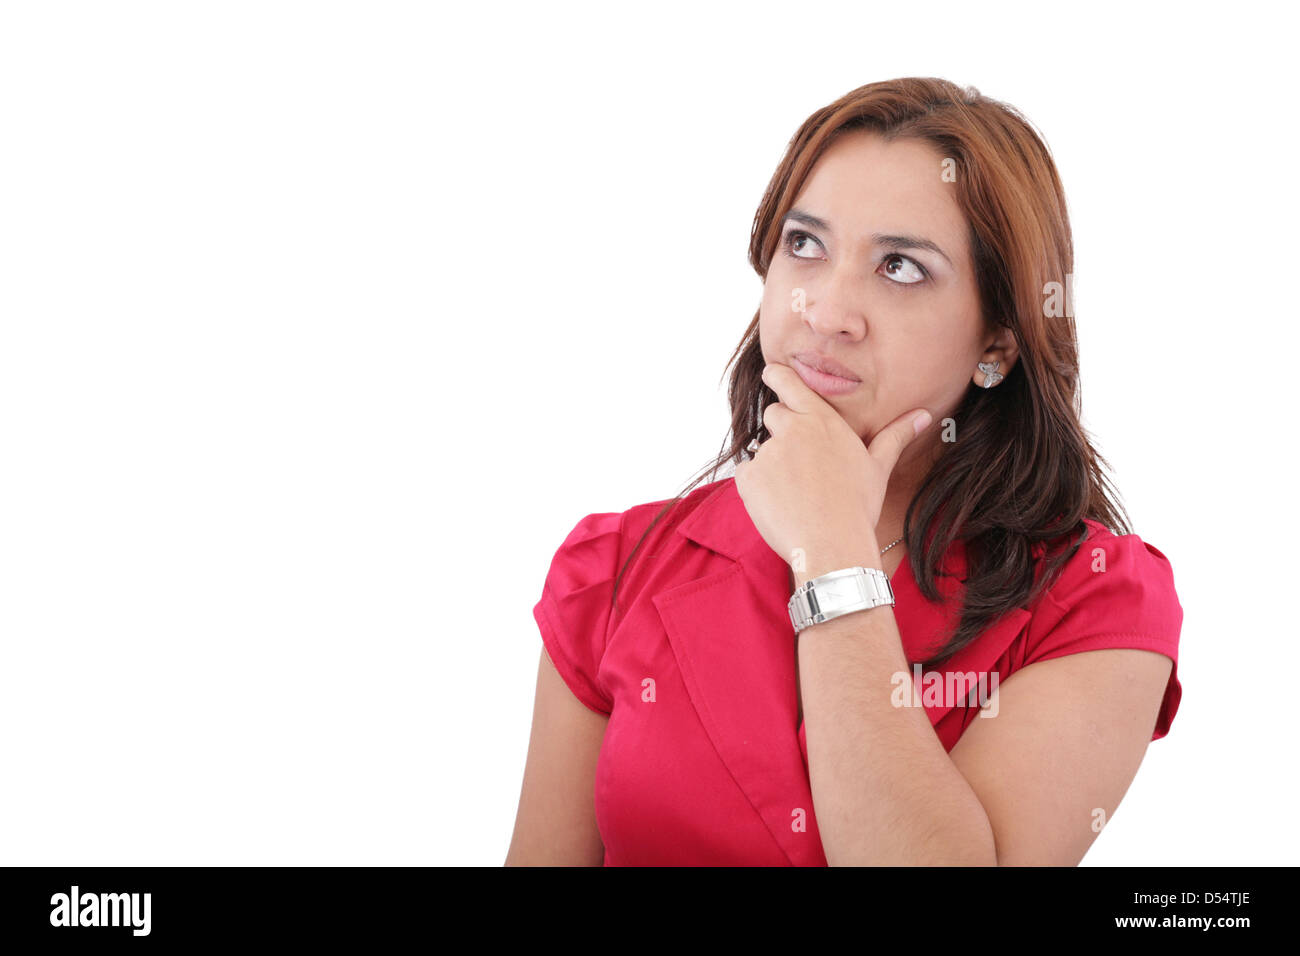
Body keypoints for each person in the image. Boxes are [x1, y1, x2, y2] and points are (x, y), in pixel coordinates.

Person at [506, 77, 1183, 866]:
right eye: (805, 245)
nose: (826, 311)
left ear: (998, 343)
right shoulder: (617, 566)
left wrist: (832, 552)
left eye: (899, 267)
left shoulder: (1094, 598)